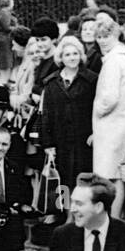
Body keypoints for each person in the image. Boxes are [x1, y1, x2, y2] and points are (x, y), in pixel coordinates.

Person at [91, 11, 125, 219]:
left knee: (112, 177)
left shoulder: (113, 61)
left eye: (106, 36)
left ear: (116, 35)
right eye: (99, 37)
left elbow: (109, 98)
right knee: (124, 175)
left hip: (112, 126)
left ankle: (112, 220)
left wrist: (97, 109)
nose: (102, 41)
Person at [40, 36, 97, 198]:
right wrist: (48, 144)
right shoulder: (51, 83)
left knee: (83, 178)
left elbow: (97, 109)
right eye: (67, 55)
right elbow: (47, 114)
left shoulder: (91, 79)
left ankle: (83, 213)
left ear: (81, 55)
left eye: (75, 54)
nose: (72, 58)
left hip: (83, 139)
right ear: (61, 58)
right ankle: (66, 215)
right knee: (63, 180)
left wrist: (95, 132)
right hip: (61, 139)